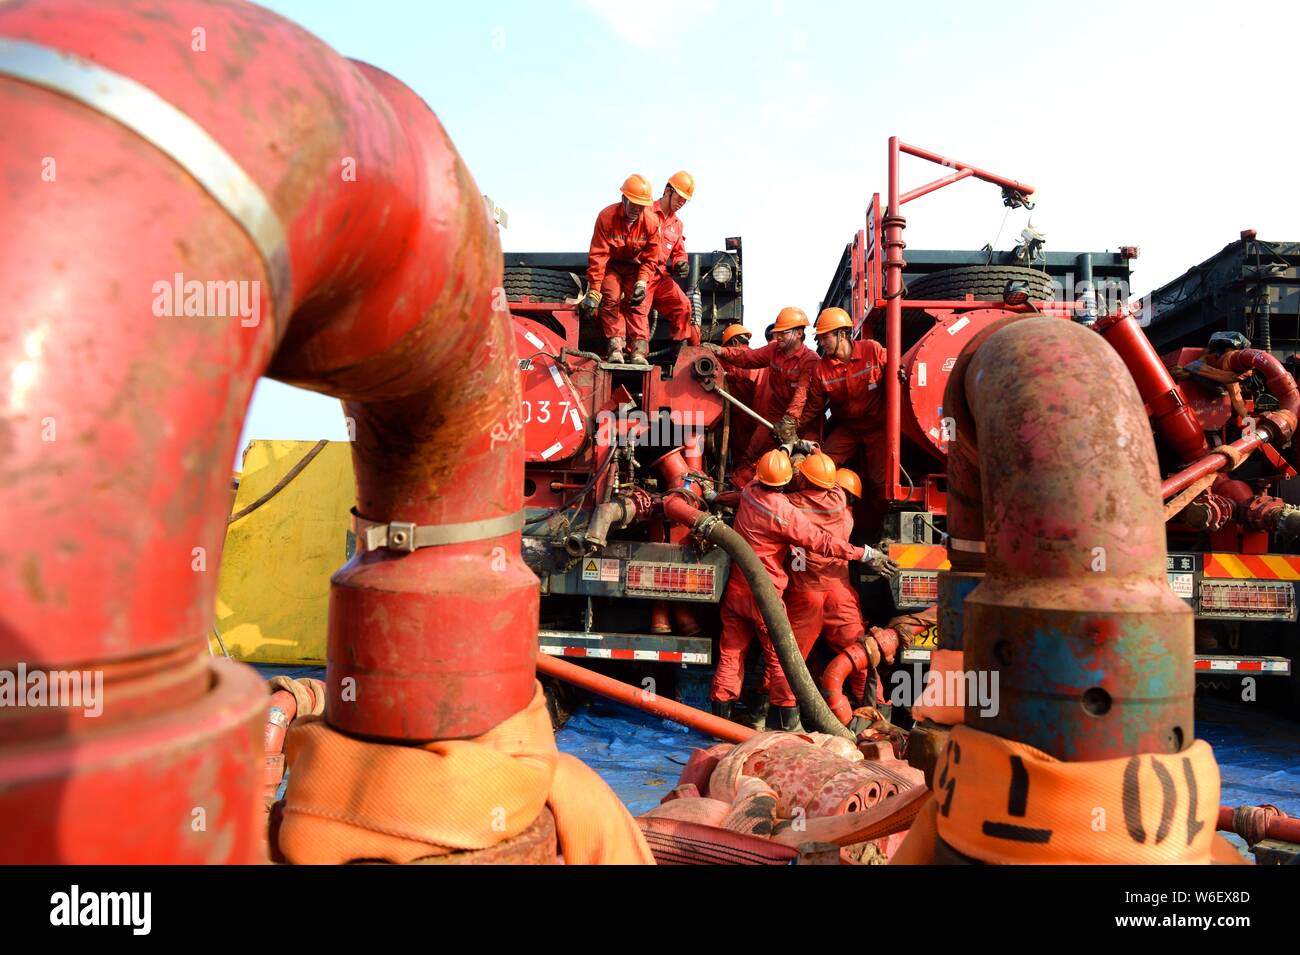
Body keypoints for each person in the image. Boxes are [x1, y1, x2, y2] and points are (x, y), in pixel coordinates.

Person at [709, 449, 896, 733]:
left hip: (770, 593)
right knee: (860, 655)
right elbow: (822, 534)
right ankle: (880, 719)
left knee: (778, 661)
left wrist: (714, 497)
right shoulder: (841, 507)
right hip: (832, 597)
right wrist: (865, 553)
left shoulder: (764, 498)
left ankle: (761, 723)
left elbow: (780, 495)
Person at [785, 463, 897, 718]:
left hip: (804, 594)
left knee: (789, 660)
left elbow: (767, 497)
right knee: (859, 656)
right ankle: (878, 715)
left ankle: (784, 717)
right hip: (839, 595)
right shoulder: (844, 515)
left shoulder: (790, 505)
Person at [705, 307, 820, 468]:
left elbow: (802, 393)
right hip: (775, 413)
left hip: (804, 419)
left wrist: (790, 421)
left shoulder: (810, 360)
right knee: (752, 455)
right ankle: (742, 486)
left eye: (783, 333)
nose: (777, 336)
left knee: (807, 462)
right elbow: (748, 358)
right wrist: (721, 351)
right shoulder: (774, 350)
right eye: (777, 332)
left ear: (799, 333)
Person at [578, 174, 664, 365]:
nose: (636, 210)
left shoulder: (651, 223)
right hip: (611, 267)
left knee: (639, 305)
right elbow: (598, 255)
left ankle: (639, 352)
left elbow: (651, 258)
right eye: (633, 204)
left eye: (641, 206)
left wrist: (642, 282)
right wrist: (594, 289)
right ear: (623, 198)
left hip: (635, 268)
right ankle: (615, 348)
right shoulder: (606, 217)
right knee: (611, 300)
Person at [805, 308, 888, 499]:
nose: (822, 343)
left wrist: (901, 372)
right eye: (820, 339)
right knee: (821, 467)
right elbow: (814, 408)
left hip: (877, 428)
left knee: (881, 481)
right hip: (848, 429)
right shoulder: (821, 370)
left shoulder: (872, 350)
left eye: (825, 338)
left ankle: (882, 517)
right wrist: (792, 424)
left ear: (841, 334)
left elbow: (896, 371)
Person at [636, 171, 697, 345]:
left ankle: (679, 352)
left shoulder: (677, 225)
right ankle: (636, 353)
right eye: (680, 197)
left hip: (660, 277)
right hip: (640, 274)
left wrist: (681, 263)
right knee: (639, 310)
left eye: (685, 200)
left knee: (683, 306)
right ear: (668, 190)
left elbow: (679, 251)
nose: (682, 203)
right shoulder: (644, 211)